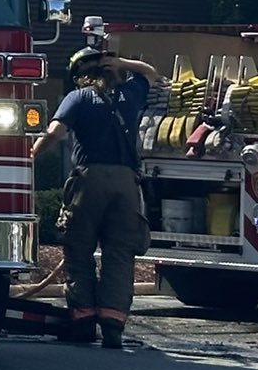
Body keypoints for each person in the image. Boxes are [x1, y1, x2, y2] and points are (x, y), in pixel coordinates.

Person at [30, 46, 161, 348]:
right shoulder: (130, 95)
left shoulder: (78, 97)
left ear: (79, 75)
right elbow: (150, 73)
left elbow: (54, 133)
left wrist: (28, 158)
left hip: (89, 181)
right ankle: (113, 328)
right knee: (119, 254)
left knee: (79, 250)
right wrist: (121, 60)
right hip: (127, 184)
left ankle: (84, 322)